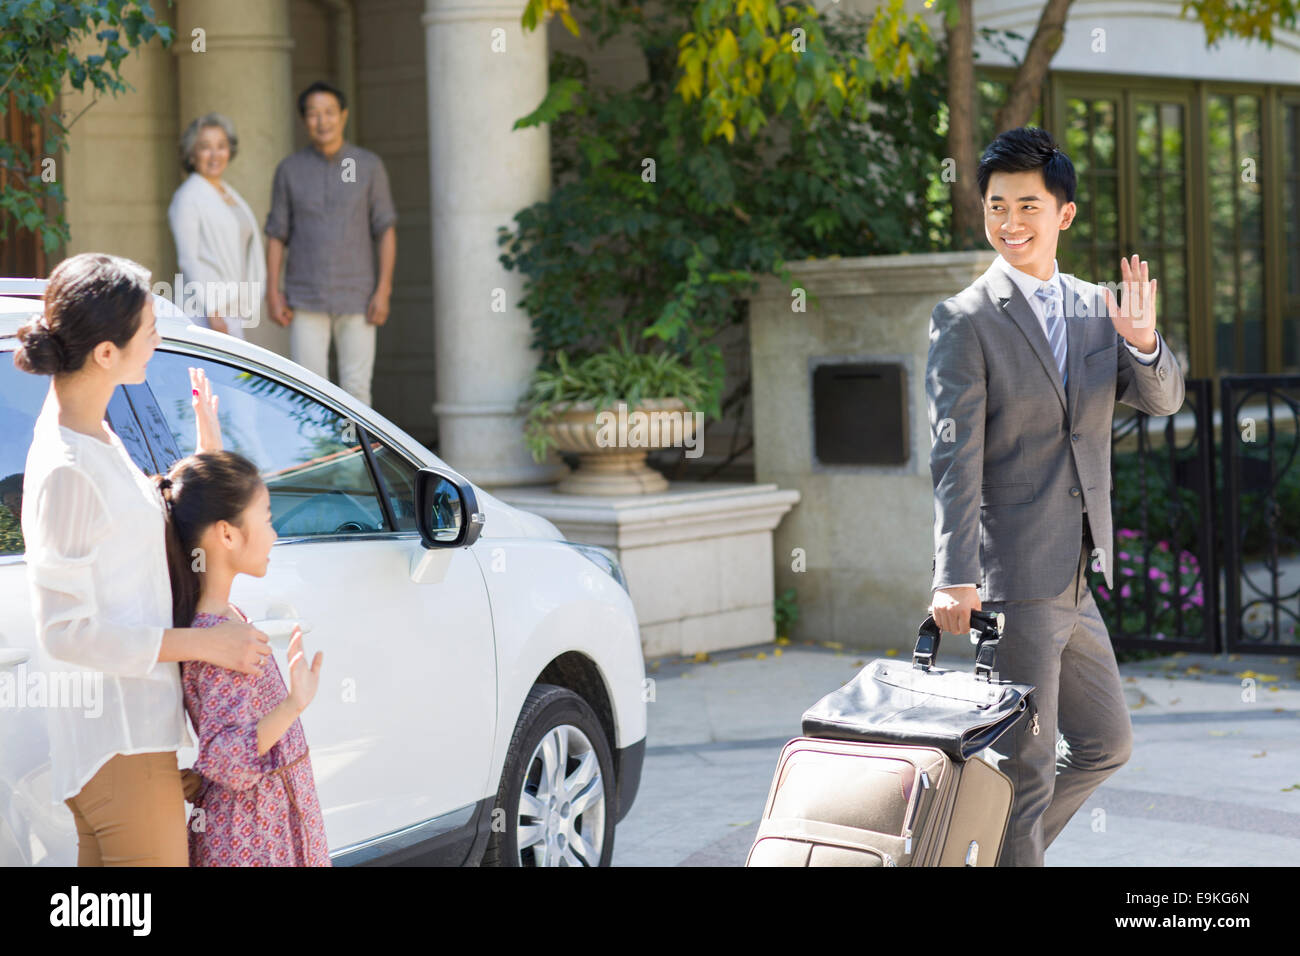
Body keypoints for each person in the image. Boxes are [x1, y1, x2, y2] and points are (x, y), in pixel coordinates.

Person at [925, 126, 1185, 866]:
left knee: (1106, 745)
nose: (1010, 221)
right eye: (997, 204)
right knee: (1027, 767)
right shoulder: (965, 319)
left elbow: (1163, 400)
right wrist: (954, 573)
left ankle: (991, 853)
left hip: (1077, 574)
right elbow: (954, 457)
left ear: (1062, 214)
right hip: (1014, 578)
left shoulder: (1099, 308)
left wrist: (1141, 341)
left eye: (1028, 205)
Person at [15, 252, 271, 866]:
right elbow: (66, 631)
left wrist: (205, 461)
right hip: (120, 746)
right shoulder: (68, 467)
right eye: (150, 328)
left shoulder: (93, 435)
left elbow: (129, 535)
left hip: (125, 745)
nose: (159, 338)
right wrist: (203, 645)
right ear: (107, 353)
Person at [154, 451, 330, 867]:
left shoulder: (222, 622)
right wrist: (294, 705)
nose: (273, 533)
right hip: (252, 837)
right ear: (227, 536)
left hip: (263, 824)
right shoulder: (218, 641)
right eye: (266, 518)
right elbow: (226, 758)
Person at [264, 80, 397, 407]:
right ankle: (323, 458)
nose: (322, 121)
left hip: (359, 297)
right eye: (313, 114)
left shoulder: (368, 166)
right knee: (309, 392)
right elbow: (277, 234)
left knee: (357, 391)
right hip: (305, 296)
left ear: (344, 115)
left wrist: (384, 290)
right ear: (304, 120)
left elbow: (385, 230)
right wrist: (272, 291)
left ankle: (357, 459)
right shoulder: (290, 170)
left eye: (329, 113)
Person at [168, 113, 266, 338]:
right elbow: (188, 259)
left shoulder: (229, 193)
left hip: (231, 306)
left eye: (221, 146)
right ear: (192, 154)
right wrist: (212, 311)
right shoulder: (188, 197)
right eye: (205, 147)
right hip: (205, 310)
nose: (215, 155)